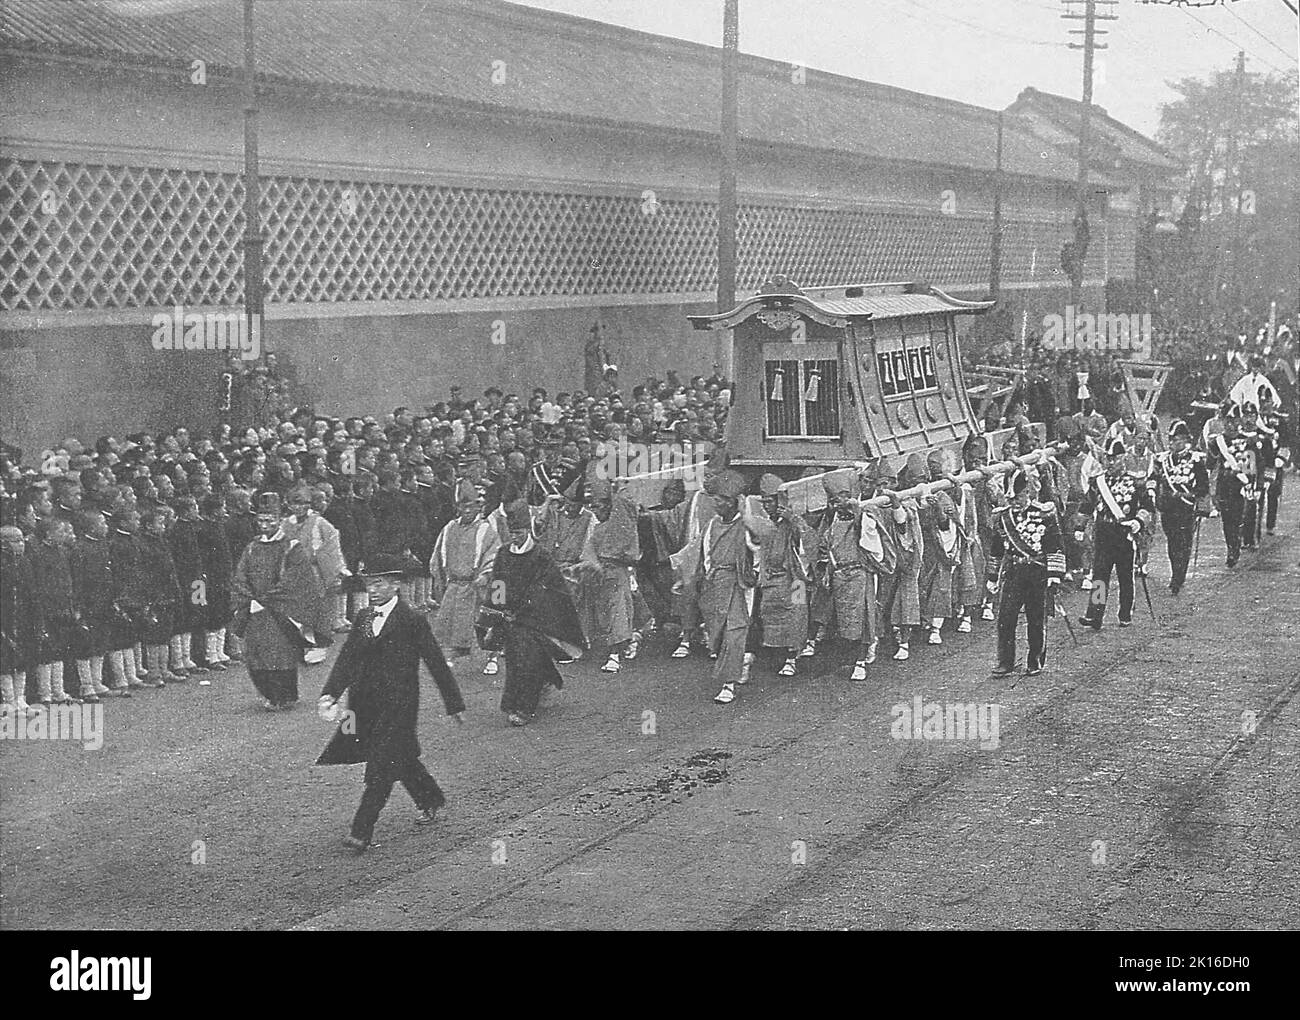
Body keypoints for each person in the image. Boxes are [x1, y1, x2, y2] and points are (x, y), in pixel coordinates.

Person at [316, 558, 466, 853]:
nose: (372, 590)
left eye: (379, 583)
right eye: (369, 583)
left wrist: (454, 703)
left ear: (396, 585)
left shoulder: (411, 620)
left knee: (382, 766)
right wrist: (330, 693)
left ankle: (361, 829)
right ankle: (430, 797)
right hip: (364, 705)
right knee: (401, 757)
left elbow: (435, 661)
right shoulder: (362, 617)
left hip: (399, 704)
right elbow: (348, 659)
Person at [483, 502, 585, 726]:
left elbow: (548, 587)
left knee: (528, 658)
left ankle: (524, 709)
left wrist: (526, 608)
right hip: (510, 616)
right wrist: (498, 610)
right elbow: (497, 583)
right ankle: (540, 685)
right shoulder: (503, 553)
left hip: (535, 617)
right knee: (515, 659)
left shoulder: (541, 556)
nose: (515, 537)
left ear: (527, 529)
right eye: (511, 533)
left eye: (518, 533)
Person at [230, 493, 326, 710]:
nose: (264, 526)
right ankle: (267, 694)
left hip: (279, 609)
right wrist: (249, 598)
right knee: (257, 653)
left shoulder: (291, 547)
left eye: (270, 521)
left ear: (279, 519)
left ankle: (283, 695)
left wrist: (268, 599)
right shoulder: (252, 547)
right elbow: (240, 575)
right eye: (261, 521)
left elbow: (294, 578)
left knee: (281, 652)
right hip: (255, 609)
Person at [989, 469, 1065, 677]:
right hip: (1014, 573)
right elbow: (997, 549)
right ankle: (1005, 662)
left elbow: (1055, 545)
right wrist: (992, 576)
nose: (1014, 501)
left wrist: (1054, 575)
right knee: (1006, 618)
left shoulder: (1044, 513)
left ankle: (1035, 660)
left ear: (1028, 492)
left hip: (1037, 573)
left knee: (1036, 619)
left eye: (1019, 496)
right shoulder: (1003, 518)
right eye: (1010, 497)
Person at [694, 470, 759, 705]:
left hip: (738, 584)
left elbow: (759, 542)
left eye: (722, 500)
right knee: (718, 634)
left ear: (734, 502)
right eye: (715, 499)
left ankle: (728, 684)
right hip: (715, 584)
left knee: (734, 631)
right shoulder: (712, 525)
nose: (717, 504)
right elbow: (705, 554)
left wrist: (746, 514)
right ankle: (743, 659)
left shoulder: (746, 525)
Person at [1079, 436, 1153, 631]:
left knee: (1125, 577)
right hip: (1103, 533)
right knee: (1100, 577)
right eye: (1108, 458)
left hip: (1124, 534)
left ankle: (1125, 612)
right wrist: (1080, 527)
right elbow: (1087, 505)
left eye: (1115, 458)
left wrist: (1138, 522)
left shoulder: (1136, 482)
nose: (1111, 462)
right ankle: (1095, 614)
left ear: (1123, 458)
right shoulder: (1099, 482)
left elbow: (1148, 507)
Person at [748, 473, 813, 678]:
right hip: (772, 579)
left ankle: (792, 657)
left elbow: (809, 543)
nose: (767, 506)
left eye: (770, 502)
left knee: (797, 615)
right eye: (764, 502)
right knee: (772, 616)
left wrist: (792, 520)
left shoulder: (795, 520)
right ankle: (780, 654)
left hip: (795, 580)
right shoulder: (767, 524)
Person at [429, 479, 500, 661]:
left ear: (479, 508)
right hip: (454, 584)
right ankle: (456, 651)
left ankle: (490, 657)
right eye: (463, 507)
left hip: (476, 585)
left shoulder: (485, 529)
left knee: (482, 623)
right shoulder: (449, 528)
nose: (467, 511)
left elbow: (493, 555)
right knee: (451, 623)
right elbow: (438, 556)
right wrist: (441, 578)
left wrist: (485, 575)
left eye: (471, 507)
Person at [1155, 420, 1211, 594]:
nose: (1175, 443)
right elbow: (1156, 480)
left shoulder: (1195, 460)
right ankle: (1175, 571)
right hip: (1169, 508)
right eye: (1173, 440)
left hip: (1186, 508)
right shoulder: (1164, 460)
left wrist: (1190, 496)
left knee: (1184, 543)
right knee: (1172, 543)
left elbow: (1203, 485)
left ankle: (1178, 577)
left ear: (1186, 440)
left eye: (1179, 439)